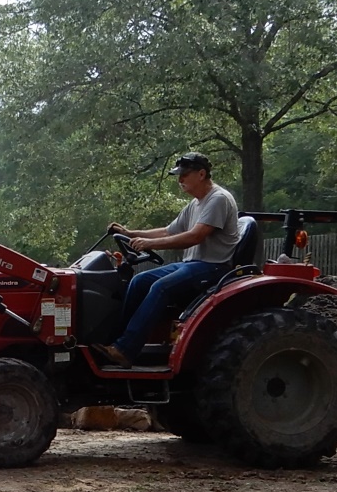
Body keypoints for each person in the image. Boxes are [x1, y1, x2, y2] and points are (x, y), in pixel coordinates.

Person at [92, 152, 239, 366]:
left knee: (161, 287)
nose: (180, 180)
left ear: (201, 174)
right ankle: (112, 342)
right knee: (139, 281)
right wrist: (131, 233)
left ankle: (125, 350)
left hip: (214, 266)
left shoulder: (218, 199)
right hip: (193, 265)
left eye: (185, 175)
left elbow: (195, 236)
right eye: (179, 175)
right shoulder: (195, 204)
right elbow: (168, 231)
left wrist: (149, 244)